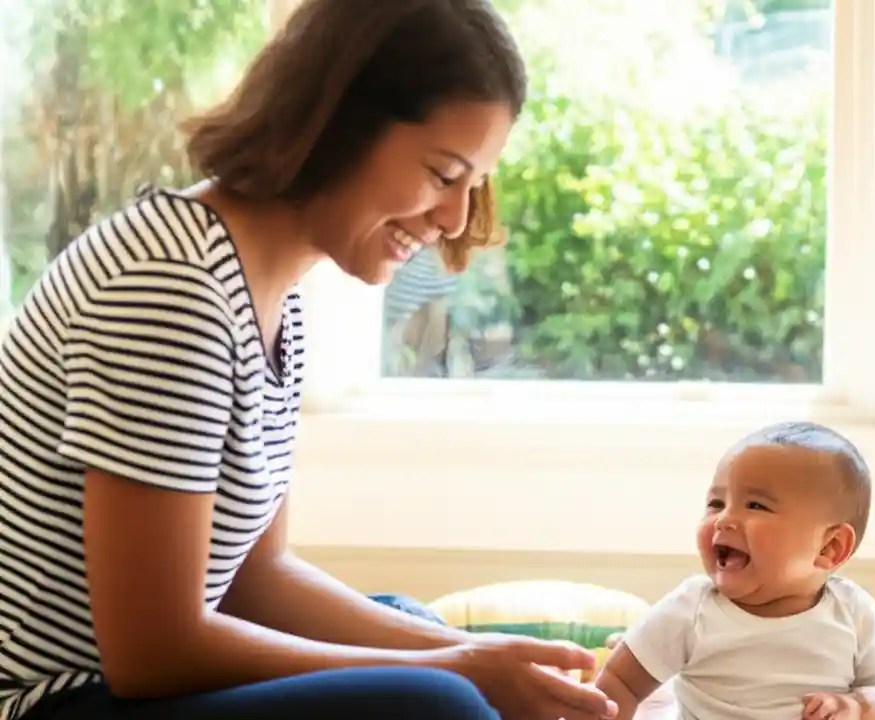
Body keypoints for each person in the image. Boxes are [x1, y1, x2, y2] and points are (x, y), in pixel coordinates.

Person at [0, 1, 619, 719]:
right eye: (442, 174)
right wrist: (456, 669)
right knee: (438, 699)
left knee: (421, 629)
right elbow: (152, 652)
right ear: (338, 122)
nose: (453, 219)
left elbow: (252, 578)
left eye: (472, 185)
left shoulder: (271, 293)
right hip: (52, 700)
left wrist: (451, 653)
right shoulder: (170, 286)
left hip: (121, 680)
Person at [593, 422, 875, 720]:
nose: (723, 519)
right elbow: (620, 682)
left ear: (829, 548)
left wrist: (857, 706)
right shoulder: (691, 608)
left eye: (755, 505)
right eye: (716, 504)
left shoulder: (852, 612)